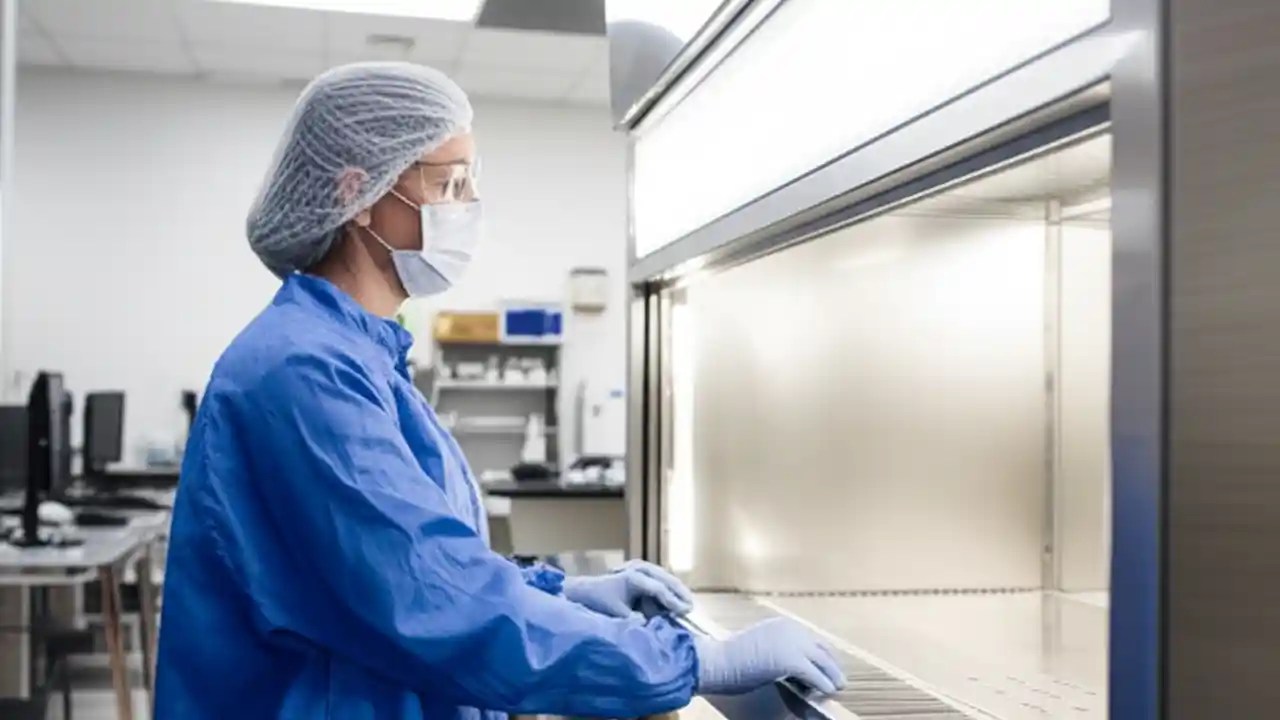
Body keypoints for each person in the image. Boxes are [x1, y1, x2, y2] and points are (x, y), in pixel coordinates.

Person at [155, 62, 846, 719]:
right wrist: (694, 660)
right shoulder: (304, 371)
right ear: (357, 196)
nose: (468, 206)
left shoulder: (360, 356)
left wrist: (567, 594)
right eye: (449, 183)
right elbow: (436, 601)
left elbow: (430, 559)